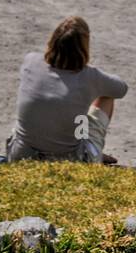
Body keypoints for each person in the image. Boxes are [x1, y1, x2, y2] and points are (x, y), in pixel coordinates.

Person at [7, 16, 127, 164]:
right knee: (106, 96)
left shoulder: (30, 60)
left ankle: (85, 146)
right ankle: (91, 150)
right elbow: (121, 89)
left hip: (20, 155)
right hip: (68, 161)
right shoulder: (90, 76)